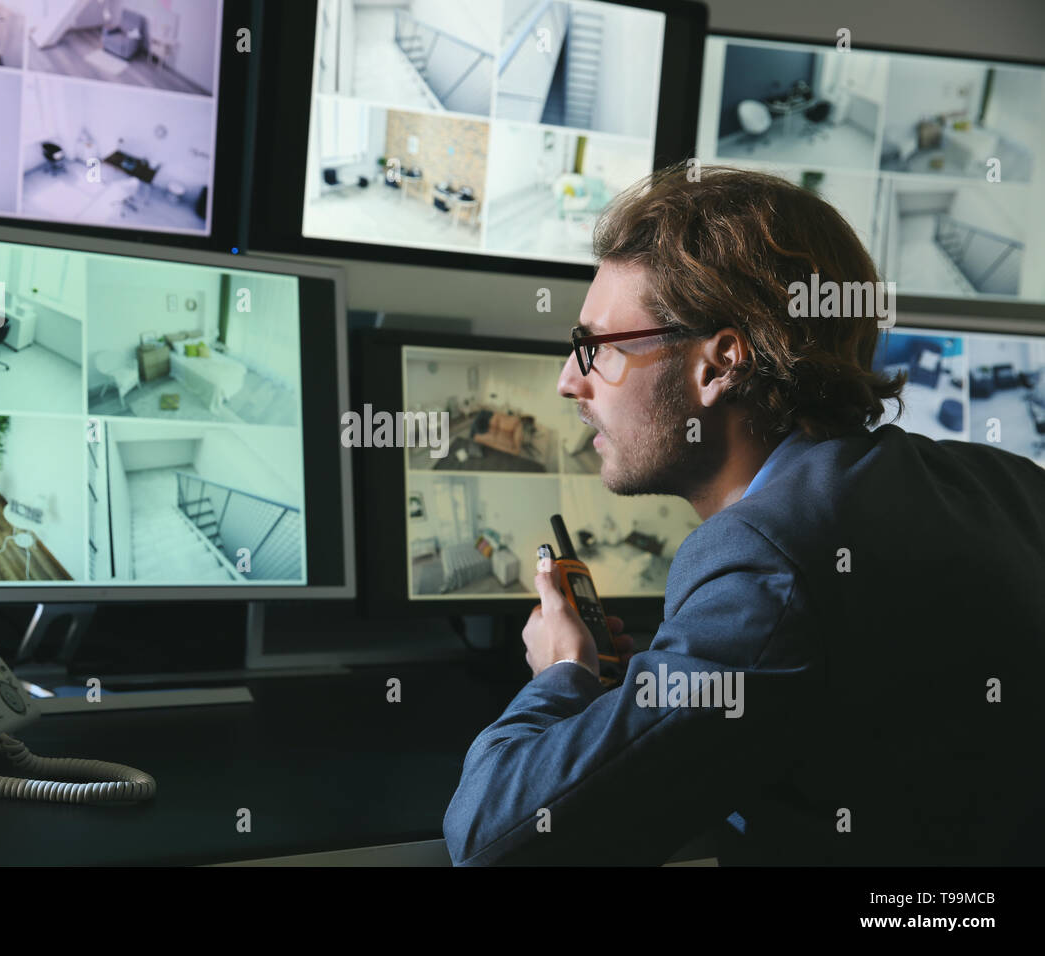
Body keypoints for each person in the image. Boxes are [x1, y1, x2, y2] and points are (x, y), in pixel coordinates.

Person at [443, 163, 1045, 866]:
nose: (567, 381)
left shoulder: (765, 561)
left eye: (595, 349)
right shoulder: (1009, 483)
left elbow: (494, 836)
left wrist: (562, 675)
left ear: (720, 362)